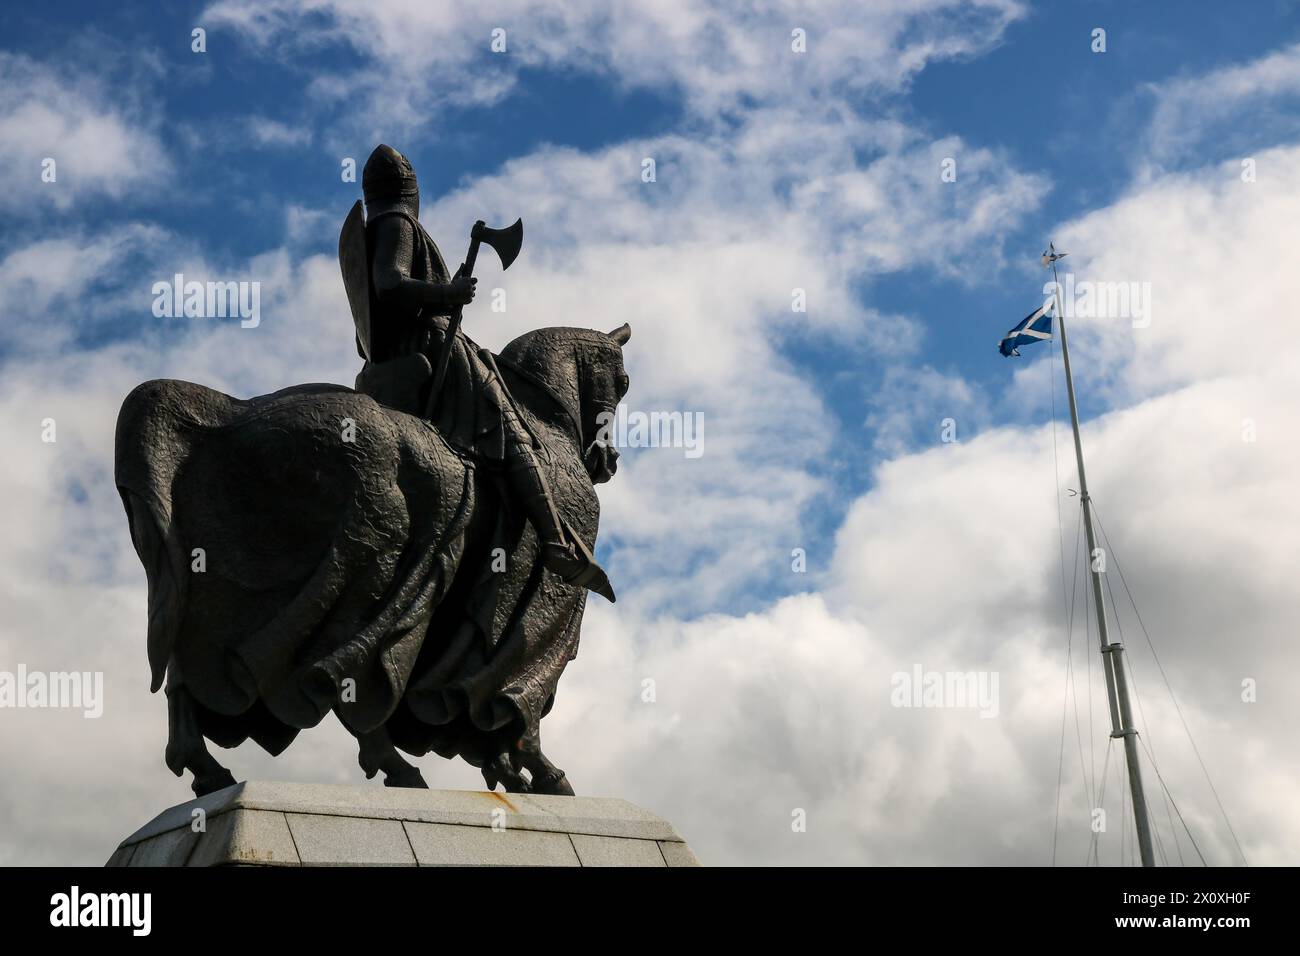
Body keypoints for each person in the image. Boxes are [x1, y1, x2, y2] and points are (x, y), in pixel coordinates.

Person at [358, 144, 611, 600]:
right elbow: (389, 284)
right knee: (511, 427)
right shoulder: (397, 223)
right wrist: (446, 294)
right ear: (410, 190)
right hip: (435, 350)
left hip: (416, 348)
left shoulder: (378, 223)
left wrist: (444, 289)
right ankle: (554, 540)